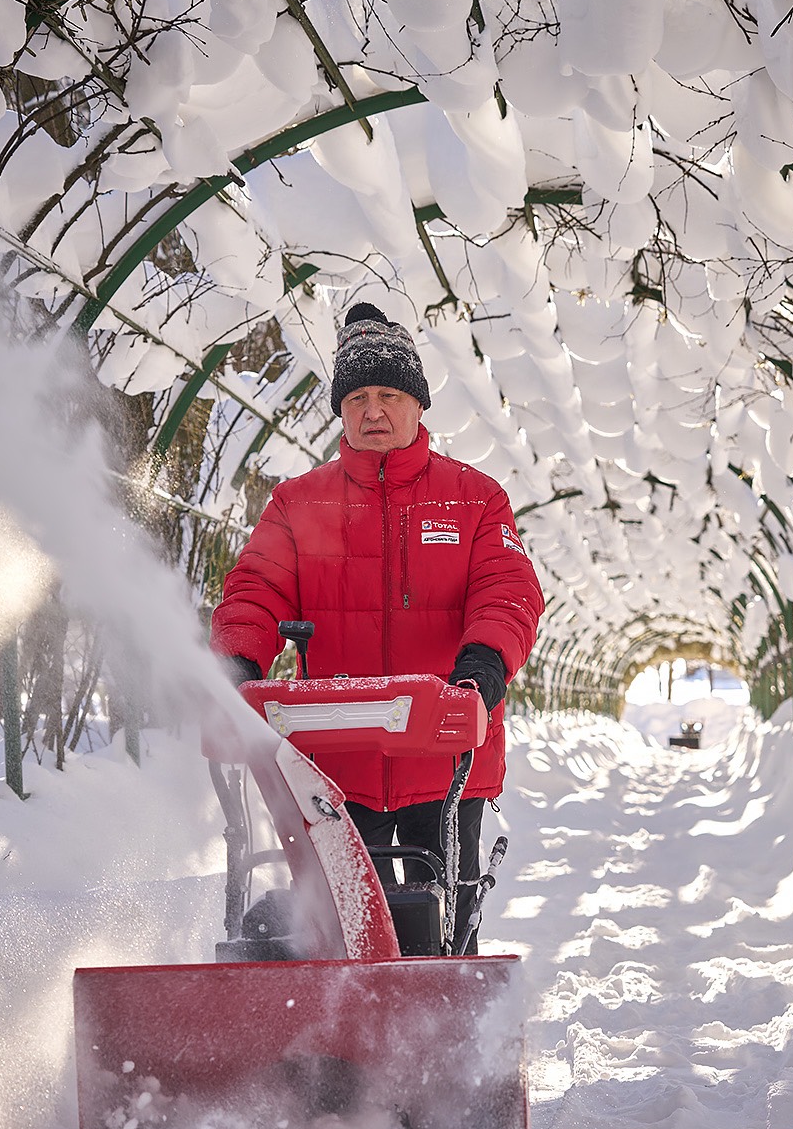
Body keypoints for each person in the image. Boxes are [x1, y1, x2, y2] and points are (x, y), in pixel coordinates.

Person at [210, 302, 545, 953]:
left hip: (445, 759)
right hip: (333, 768)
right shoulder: (298, 503)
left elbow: (508, 591)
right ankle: (328, 1045)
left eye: (389, 394)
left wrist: (482, 664)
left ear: (418, 405)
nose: (372, 411)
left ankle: (445, 1046)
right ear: (340, 410)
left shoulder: (474, 499)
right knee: (335, 936)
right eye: (357, 396)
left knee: (438, 932)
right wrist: (237, 663)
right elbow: (254, 587)